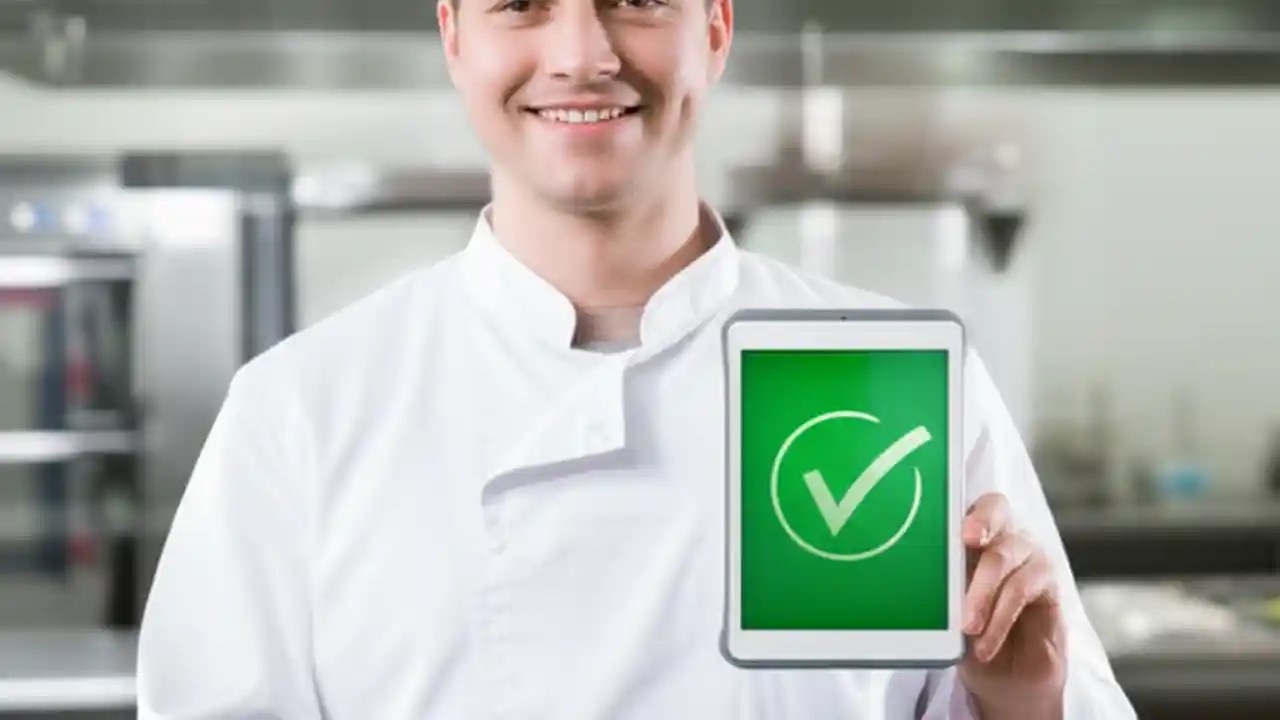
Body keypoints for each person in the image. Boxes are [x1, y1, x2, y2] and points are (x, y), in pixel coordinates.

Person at [136, 0, 1136, 717]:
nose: (582, 52)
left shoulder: (887, 379)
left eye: (637, 0)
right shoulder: (301, 411)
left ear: (715, 25)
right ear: (452, 32)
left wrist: (1023, 702)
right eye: (521, 4)